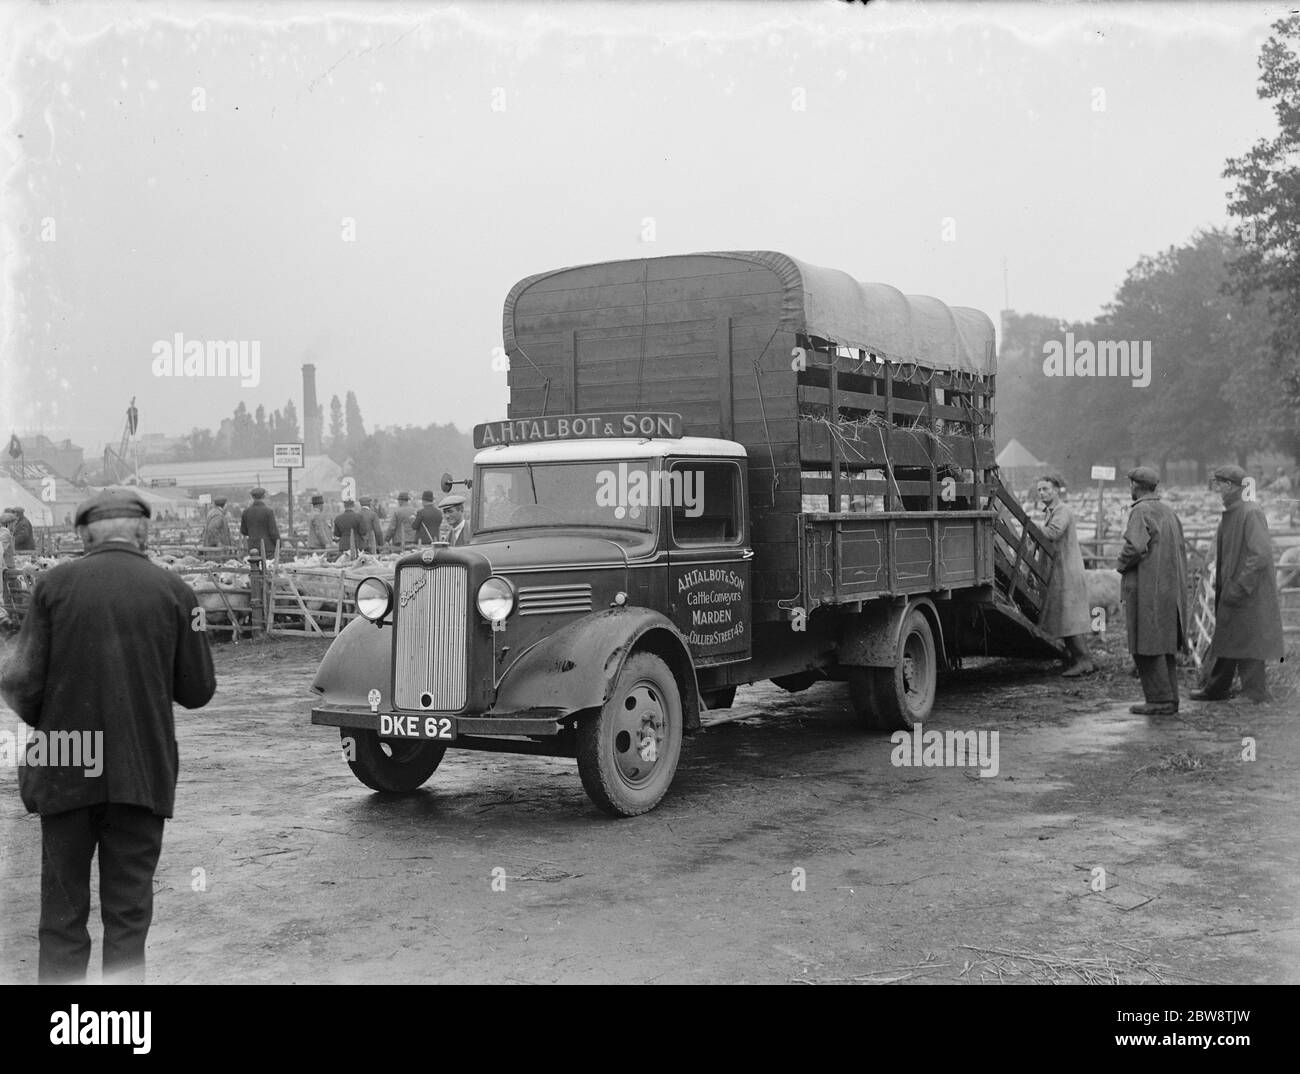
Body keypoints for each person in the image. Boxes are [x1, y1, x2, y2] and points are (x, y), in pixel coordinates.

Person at [0, 487, 216, 983]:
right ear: (142, 531)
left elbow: (17, 682)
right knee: (128, 919)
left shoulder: (53, 587)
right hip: (141, 775)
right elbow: (198, 690)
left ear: (82, 533)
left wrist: (57, 721)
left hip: (65, 773)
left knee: (61, 918)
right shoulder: (176, 592)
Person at [1191, 465, 1285, 704]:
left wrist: (1241, 585)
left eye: (1221, 484)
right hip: (1234, 589)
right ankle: (1216, 688)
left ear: (1233, 486)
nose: (1218, 489)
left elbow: (1260, 555)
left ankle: (1254, 692)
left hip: (1249, 592)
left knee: (1248, 639)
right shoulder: (1234, 512)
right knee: (1229, 636)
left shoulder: (1250, 512)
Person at [1116, 466, 1189, 715]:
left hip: (1146, 586)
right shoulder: (1168, 511)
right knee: (1163, 643)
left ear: (1136, 486)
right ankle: (1171, 698)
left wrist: (1120, 564)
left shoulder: (1140, 510)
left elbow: (1135, 547)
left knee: (1145, 643)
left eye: (1131, 485)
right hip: (1168, 587)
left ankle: (1159, 701)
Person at [1036, 474, 1095, 676]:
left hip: (1067, 571)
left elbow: (1053, 533)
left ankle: (1084, 661)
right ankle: (1076, 658)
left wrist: (1032, 527)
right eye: (1039, 490)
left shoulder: (1062, 511)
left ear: (1056, 490)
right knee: (1065, 617)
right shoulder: (1051, 511)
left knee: (1070, 618)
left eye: (1046, 489)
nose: (1042, 493)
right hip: (1060, 571)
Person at [240, 487, 280, 559]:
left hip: (253, 548)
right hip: (268, 548)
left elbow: (243, 531)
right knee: (268, 568)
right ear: (264, 496)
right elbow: (273, 532)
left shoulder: (246, 512)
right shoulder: (268, 511)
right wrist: (279, 544)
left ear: (252, 497)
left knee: (254, 568)